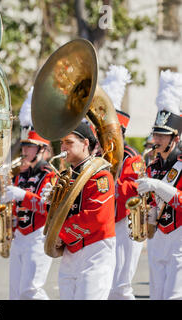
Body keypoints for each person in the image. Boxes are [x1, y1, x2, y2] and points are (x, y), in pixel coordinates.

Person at [42, 121, 116, 300]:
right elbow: (61, 213)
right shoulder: (68, 176)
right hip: (71, 250)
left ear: (85, 144)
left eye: (69, 142)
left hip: (95, 250)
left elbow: (96, 216)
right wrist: (50, 202)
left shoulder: (100, 176)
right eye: (62, 142)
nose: (63, 147)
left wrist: (60, 234)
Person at [93, 65, 143, 300]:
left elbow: (134, 188)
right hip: (103, 224)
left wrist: (108, 188)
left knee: (120, 287)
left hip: (124, 224)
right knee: (102, 284)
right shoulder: (96, 156)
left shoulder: (132, 156)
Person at [1, 86, 55, 300]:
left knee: (31, 290)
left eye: (30, 146)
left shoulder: (49, 175)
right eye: (24, 145)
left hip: (38, 236)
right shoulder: (21, 174)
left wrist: (23, 196)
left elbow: (47, 207)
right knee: (15, 293)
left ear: (42, 148)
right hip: (19, 237)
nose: (24, 150)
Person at [136, 70, 182, 300]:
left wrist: (157, 185)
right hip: (157, 237)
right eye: (156, 134)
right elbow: (155, 203)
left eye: (162, 135)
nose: (156, 140)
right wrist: (148, 215)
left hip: (179, 238)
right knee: (156, 295)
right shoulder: (152, 166)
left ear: (176, 138)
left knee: (174, 296)